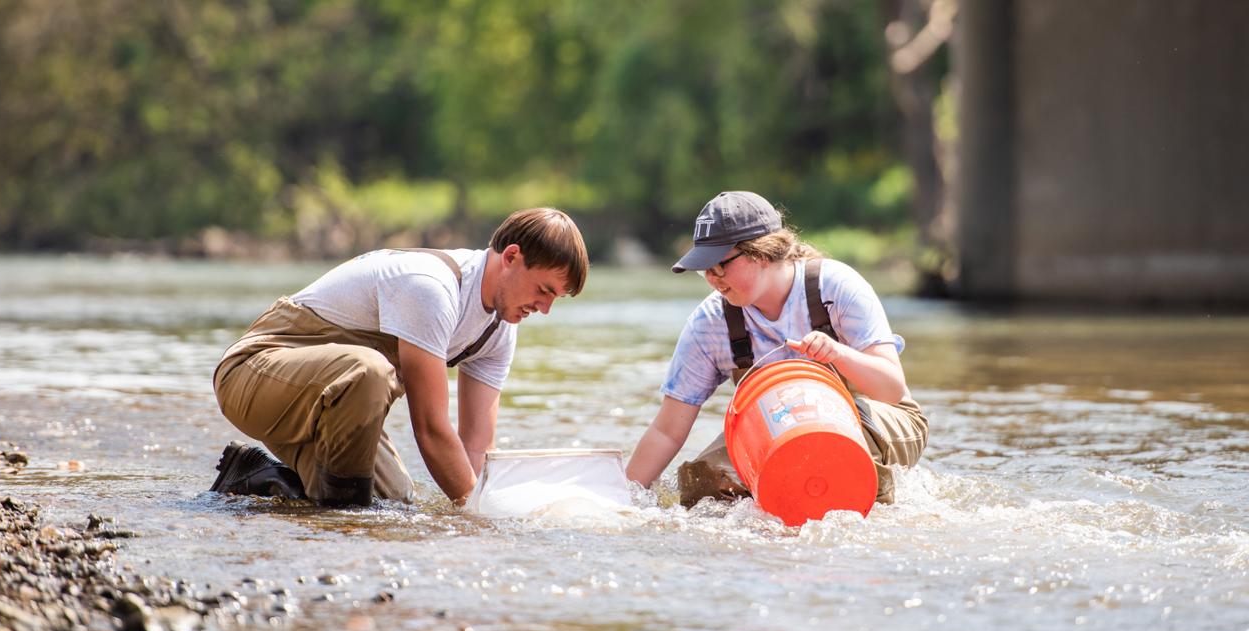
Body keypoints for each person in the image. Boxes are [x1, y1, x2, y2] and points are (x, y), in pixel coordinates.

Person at [209, 208, 589, 507]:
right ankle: (340, 516)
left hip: (332, 403)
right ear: (511, 256)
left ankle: (257, 481)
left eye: (556, 298)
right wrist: (478, 518)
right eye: (544, 290)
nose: (545, 308)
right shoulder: (431, 288)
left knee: (396, 505)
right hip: (251, 374)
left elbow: (476, 448)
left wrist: (484, 517)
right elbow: (431, 428)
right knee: (369, 372)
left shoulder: (499, 330)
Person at [625, 191, 926, 507]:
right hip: (776, 428)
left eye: (719, 266)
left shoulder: (836, 287)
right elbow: (667, 431)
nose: (712, 279)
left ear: (762, 254)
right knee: (699, 484)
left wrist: (838, 354)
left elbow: (891, 389)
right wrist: (624, 500)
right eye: (704, 270)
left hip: (881, 418)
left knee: (820, 437)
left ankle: (869, 506)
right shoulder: (710, 323)